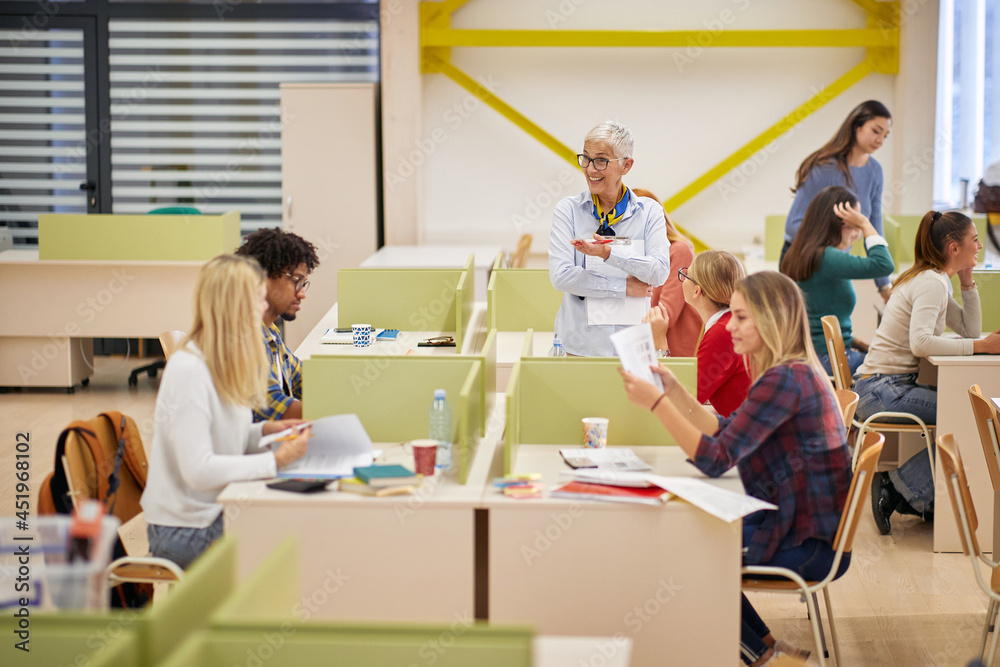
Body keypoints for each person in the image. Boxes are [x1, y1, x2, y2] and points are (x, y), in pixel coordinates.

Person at [619, 271, 851, 666]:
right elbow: (729, 434)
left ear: (772, 319)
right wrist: (676, 393)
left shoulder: (783, 380)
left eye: (741, 318)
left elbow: (713, 459)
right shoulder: (792, 371)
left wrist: (658, 405)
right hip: (812, 531)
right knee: (697, 542)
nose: (731, 327)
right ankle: (767, 647)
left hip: (808, 545)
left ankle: (761, 658)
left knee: (686, 556)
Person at [142, 255, 310, 569]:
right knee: (297, 542)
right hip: (187, 529)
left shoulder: (223, 360)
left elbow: (220, 436)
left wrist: (262, 432)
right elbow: (199, 470)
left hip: (216, 509)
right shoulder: (190, 370)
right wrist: (275, 460)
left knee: (303, 530)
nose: (264, 310)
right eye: (258, 301)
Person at [856, 210, 1000, 535]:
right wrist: (982, 348)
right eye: (974, 240)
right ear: (953, 247)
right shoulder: (931, 283)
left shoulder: (933, 279)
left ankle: (908, 489)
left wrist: (967, 281)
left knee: (968, 411)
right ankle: (903, 488)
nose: (979, 246)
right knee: (967, 413)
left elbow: (968, 329)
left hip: (883, 386)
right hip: (881, 389)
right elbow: (921, 343)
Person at [548, 121, 670, 357]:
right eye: (586, 158)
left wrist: (609, 254)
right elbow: (561, 276)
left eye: (601, 160)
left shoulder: (649, 212)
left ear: (626, 165)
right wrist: (623, 287)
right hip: (579, 347)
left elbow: (658, 272)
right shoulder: (568, 210)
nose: (591, 169)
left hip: (633, 350)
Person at [781, 100, 893, 302]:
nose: (880, 140)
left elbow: (874, 227)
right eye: (876, 131)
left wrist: (884, 285)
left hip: (836, 263)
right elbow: (792, 226)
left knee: (839, 319)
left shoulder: (875, 171)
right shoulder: (824, 168)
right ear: (856, 126)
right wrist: (830, 252)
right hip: (803, 262)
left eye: (885, 135)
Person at [780, 185, 895, 375]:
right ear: (835, 223)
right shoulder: (827, 257)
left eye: (859, 225)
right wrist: (867, 224)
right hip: (828, 359)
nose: (858, 235)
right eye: (854, 225)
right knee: (900, 369)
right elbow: (883, 264)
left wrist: (860, 345)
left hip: (816, 356)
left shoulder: (805, 252)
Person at [644, 249, 751, 416]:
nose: (682, 280)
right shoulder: (729, 323)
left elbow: (685, 401)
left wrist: (659, 342)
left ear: (697, 291)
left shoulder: (723, 332)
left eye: (686, 275)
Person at [235, 227, 320, 421]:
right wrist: (343, 412)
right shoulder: (242, 336)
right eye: (296, 281)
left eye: (303, 283)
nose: (302, 293)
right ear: (261, 279)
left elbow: (301, 379)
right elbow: (272, 407)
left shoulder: (269, 330)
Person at [633, 188, 701, 357]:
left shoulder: (679, 250)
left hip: (675, 346)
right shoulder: (637, 253)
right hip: (649, 343)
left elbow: (666, 313)